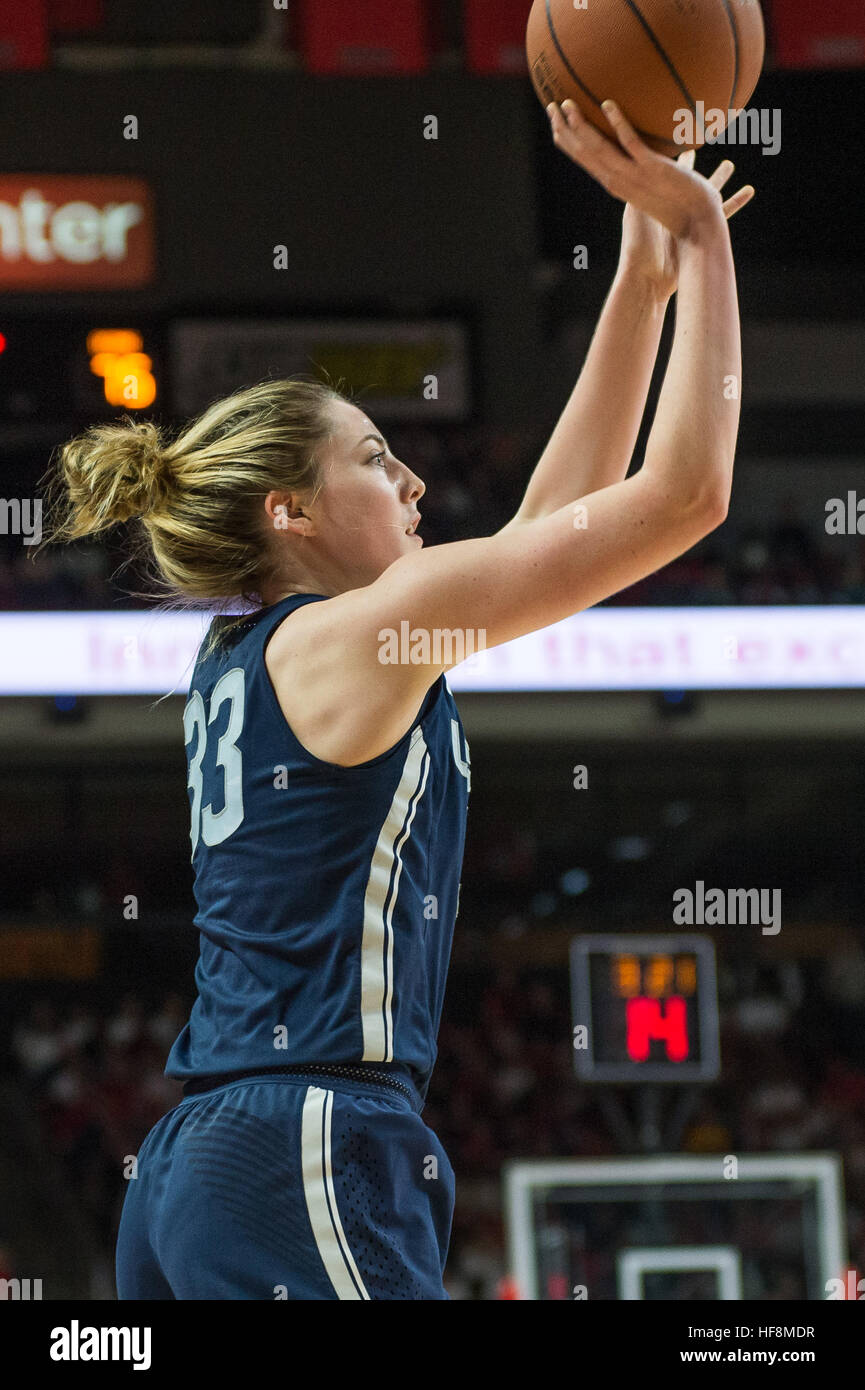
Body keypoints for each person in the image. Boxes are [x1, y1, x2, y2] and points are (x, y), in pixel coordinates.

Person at [39, 98, 753, 1299]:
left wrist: (640, 285)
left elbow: (542, 535)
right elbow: (686, 496)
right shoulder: (356, 634)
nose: (413, 476)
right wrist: (706, 240)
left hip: (204, 1160)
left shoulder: (273, 649)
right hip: (305, 1138)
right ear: (289, 512)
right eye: (375, 456)